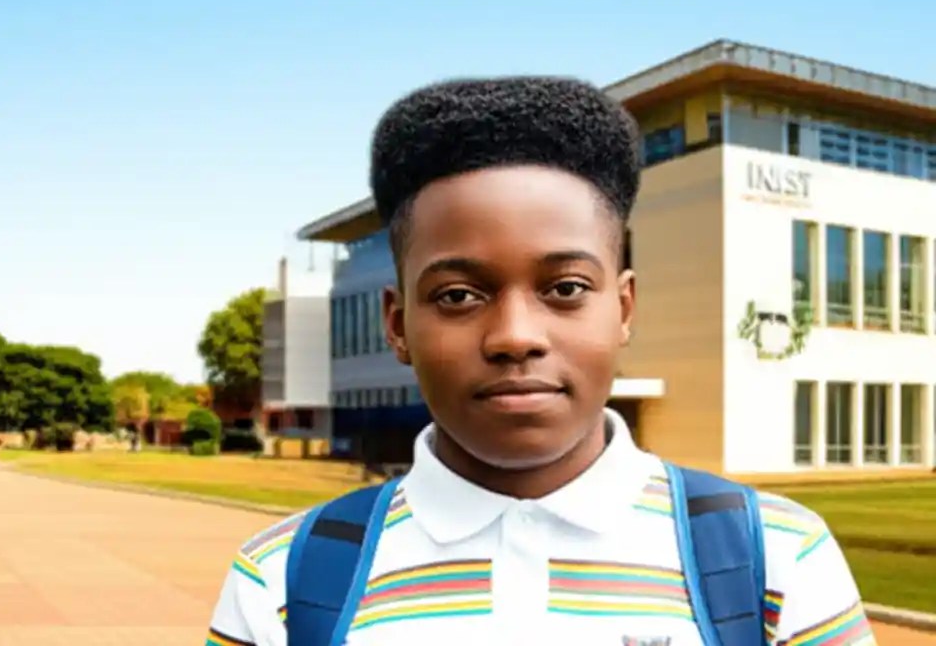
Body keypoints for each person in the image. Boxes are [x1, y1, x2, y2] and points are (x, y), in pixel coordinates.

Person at [205, 77, 874, 645]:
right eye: (458, 295)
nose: (515, 337)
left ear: (624, 308)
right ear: (398, 325)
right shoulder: (282, 582)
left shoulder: (777, 562)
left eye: (566, 288)